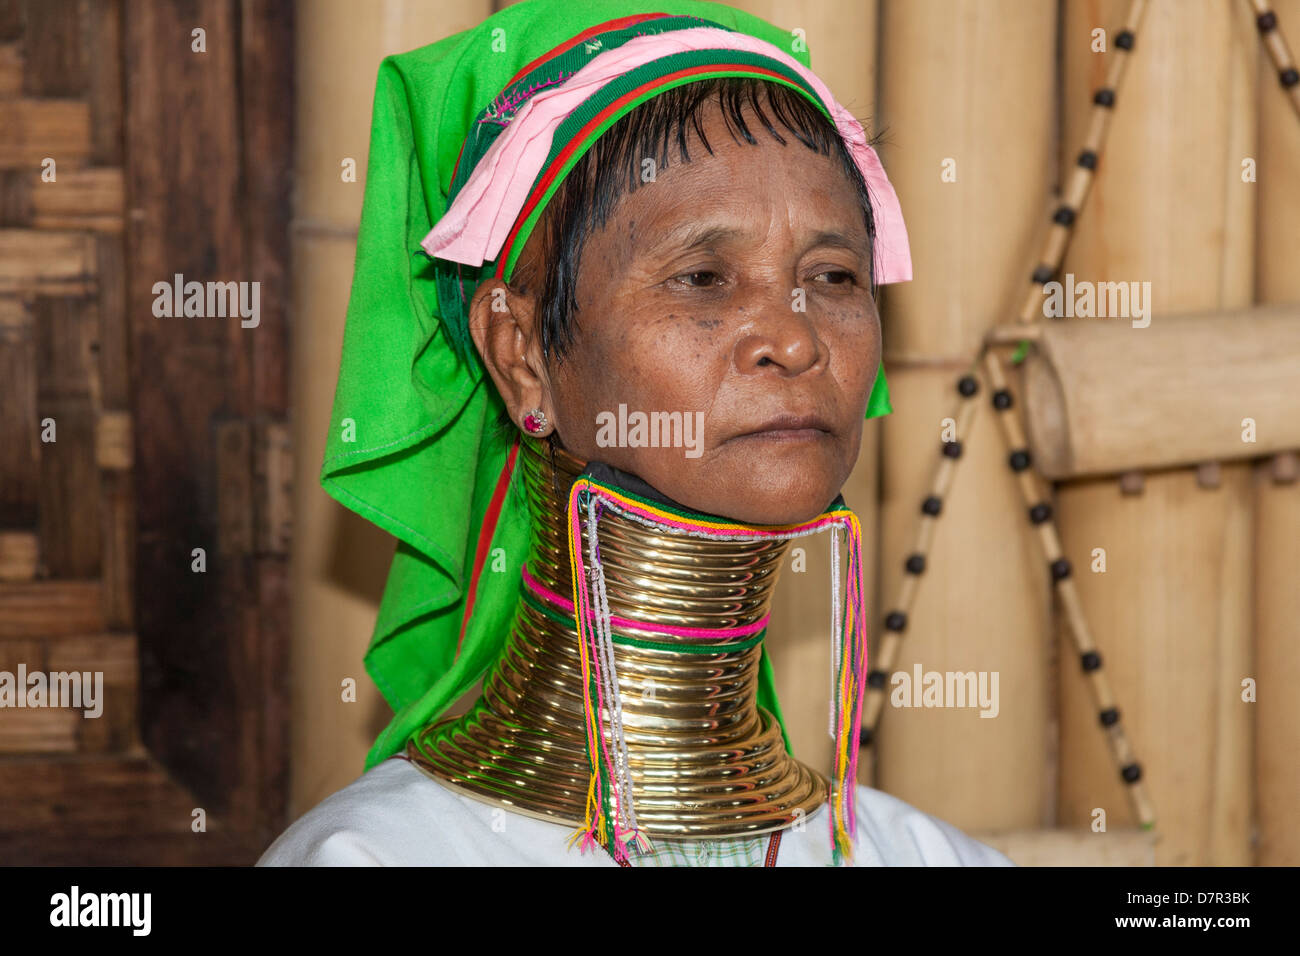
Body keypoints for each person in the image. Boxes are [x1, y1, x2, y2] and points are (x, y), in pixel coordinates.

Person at [259, 0, 1014, 867]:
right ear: (522, 356)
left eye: (834, 276)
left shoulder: (922, 859)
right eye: (702, 277)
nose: (797, 337)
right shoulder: (379, 859)